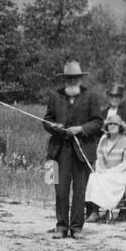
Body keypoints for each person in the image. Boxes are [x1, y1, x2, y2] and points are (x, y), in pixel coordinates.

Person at [42, 61, 104, 239]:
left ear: (80, 79)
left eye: (74, 78)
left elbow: (98, 122)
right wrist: (54, 126)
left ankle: (76, 228)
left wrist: (80, 129)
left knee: (79, 191)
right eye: (68, 78)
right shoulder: (55, 96)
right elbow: (46, 120)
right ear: (64, 79)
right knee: (60, 191)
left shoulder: (90, 96)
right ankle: (61, 226)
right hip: (58, 152)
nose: (71, 81)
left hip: (82, 152)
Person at [86, 116, 126, 222]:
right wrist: (102, 169)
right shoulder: (103, 140)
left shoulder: (124, 140)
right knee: (94, 177)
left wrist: (112, 171)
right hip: (107, 171)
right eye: (110, 124)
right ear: (107, 127)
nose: (112, 126)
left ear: (120, 127)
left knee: (108, 179)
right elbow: (99, 157)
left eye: (115, 124)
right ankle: (95, 211)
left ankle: (118, 211)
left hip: (124, 172)